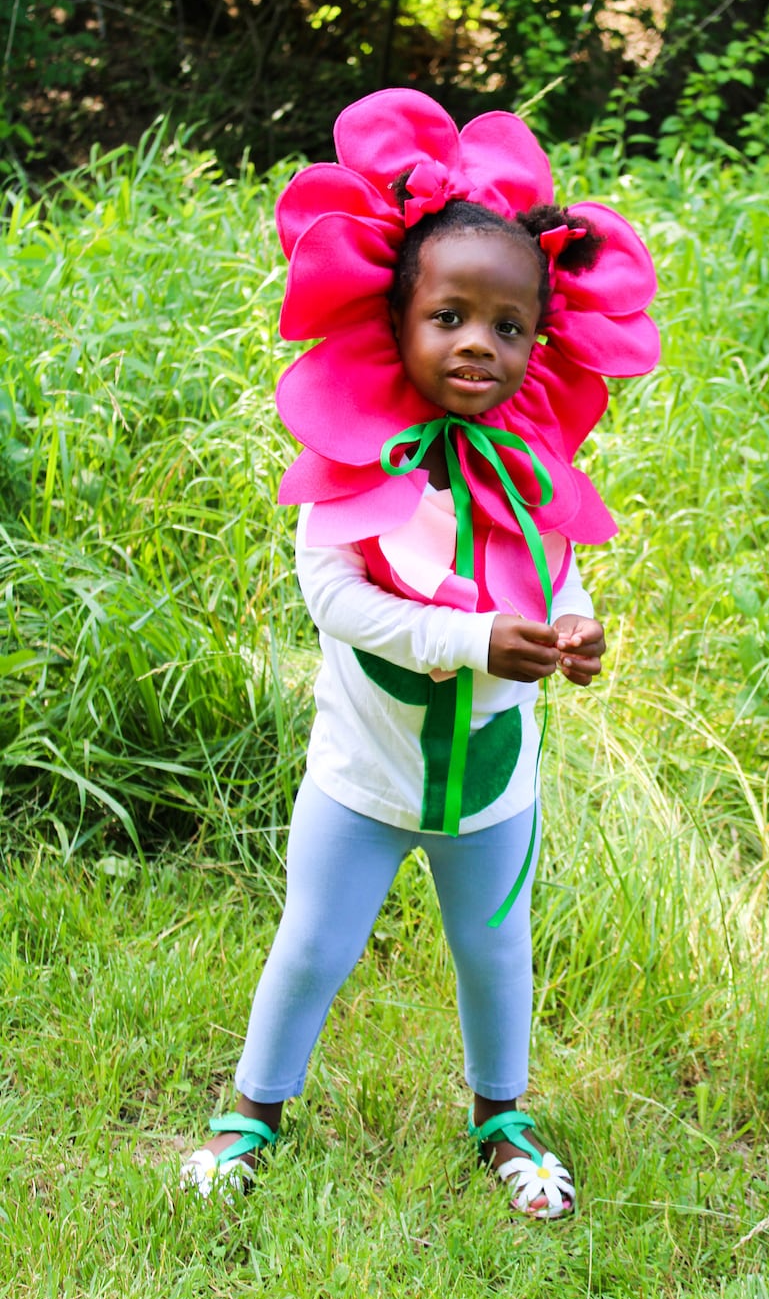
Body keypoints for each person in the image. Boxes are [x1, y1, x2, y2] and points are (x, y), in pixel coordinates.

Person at [181, 90, 658, 1218]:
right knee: (314, 945)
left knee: (495, 955)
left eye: (509, 326)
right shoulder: (356, 456)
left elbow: (550, 570)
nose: (478, 343)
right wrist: (471, 637)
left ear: (541, 340)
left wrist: (575, 626)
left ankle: (503, 1118)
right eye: (448, 316)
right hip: (362, 774)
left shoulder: (529, 466)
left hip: (493, 786)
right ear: (395, 322)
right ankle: (253, 1113)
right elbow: (334, 598)